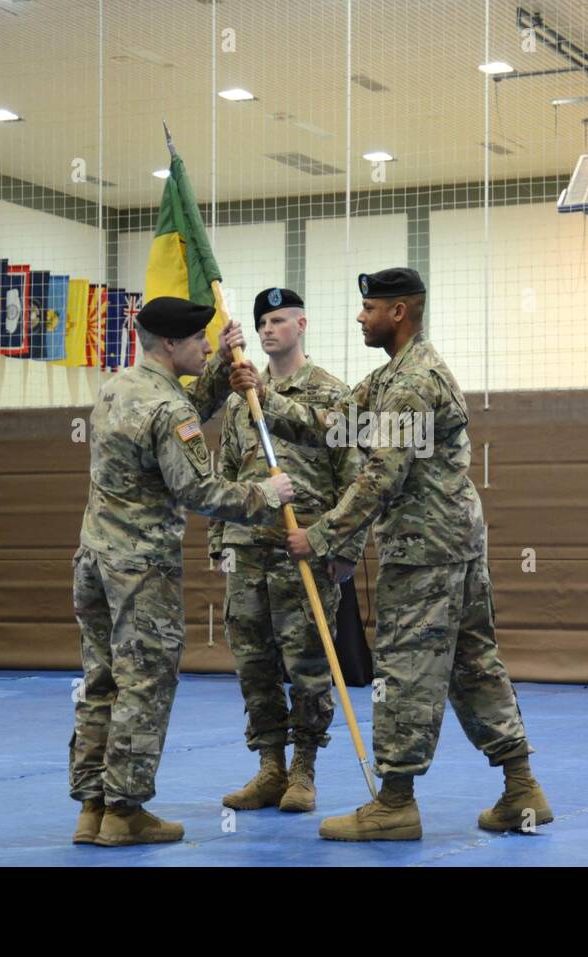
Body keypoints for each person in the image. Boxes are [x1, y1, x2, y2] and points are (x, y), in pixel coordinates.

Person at [230, 267, 550, 842]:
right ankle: (521, 786)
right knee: (474, 665)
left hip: (426, 552)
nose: (360, 317)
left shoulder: (411, 383)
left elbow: (381, 475)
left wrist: (321, 536)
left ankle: (396, 802)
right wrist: (261, 399)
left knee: (403, 671)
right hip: (450, 546)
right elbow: (332, 426)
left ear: (398, 312)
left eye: (369, 309)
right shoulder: (388, 379)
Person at [69, 296, 296, 848]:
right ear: (171, 343)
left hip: (95, 562)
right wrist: (265, 493)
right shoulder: (170, 411)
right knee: (144, 683)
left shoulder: (116, 388)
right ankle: (126, 811)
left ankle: (93, 806)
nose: (204, 345)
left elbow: (183, 404)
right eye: (198, 339)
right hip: (141, 571)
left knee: (101, 681)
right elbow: (199, 489)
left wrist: (219, 366)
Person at [209, 287, 367, 814]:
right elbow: (226, 472)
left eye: (278, 320)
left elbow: (356, 477)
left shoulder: (332, 394)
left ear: (302, 325)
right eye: (262, 323)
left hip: (305, 548)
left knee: (308, 663)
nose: (268, 330)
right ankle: (270, 766)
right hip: (247, 549)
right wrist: (218, 544)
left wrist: (345, 547)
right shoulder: (236, 400)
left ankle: (304, 769)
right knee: (254, 665)